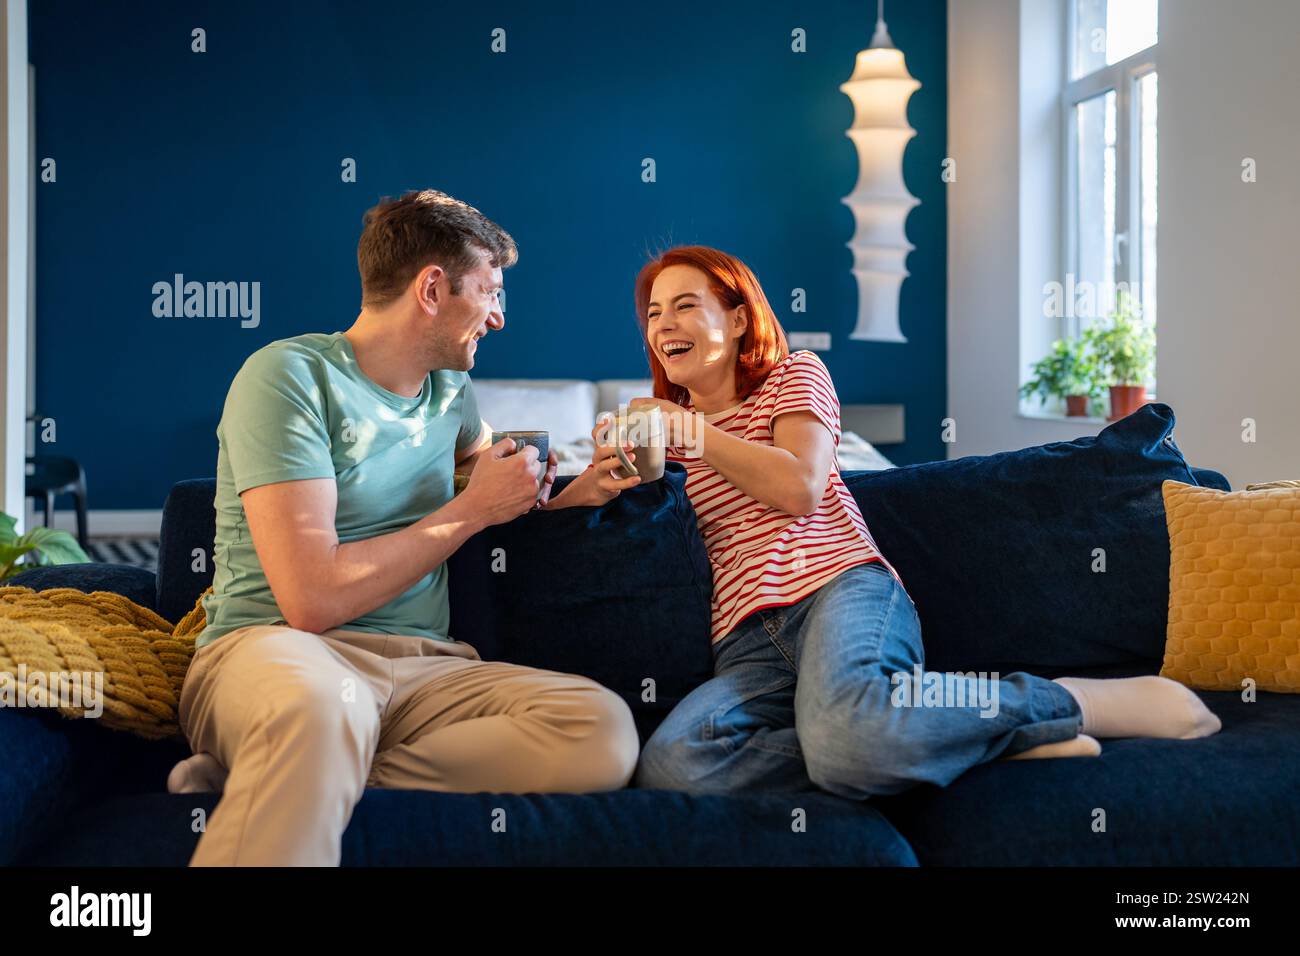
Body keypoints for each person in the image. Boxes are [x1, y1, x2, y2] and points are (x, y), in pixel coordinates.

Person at [589, 244, 1221, 798]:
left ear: (738, 315)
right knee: (677, 763)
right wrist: (594, 477)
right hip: (745, 641)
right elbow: (595, 515)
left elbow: (800, 487)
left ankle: (1073, 702)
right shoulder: (663, 434)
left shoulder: (794, 376)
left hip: (839, 591)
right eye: (653, 312)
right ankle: (952, 741)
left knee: (850, 740)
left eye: (684, 305)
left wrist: (692, 431)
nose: (662, 324)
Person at [167, 190, 638, 866]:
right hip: (282, 652)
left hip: (424, 672)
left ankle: (275, 780)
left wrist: (571, 493)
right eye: (491, 290)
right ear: (433, 288)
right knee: (317, 713)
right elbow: (312, 600)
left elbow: (493, 483)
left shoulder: (451, 395)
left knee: (600, 730)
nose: (500, 318)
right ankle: (297, 763)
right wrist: (470, 509)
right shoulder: (287, 377)